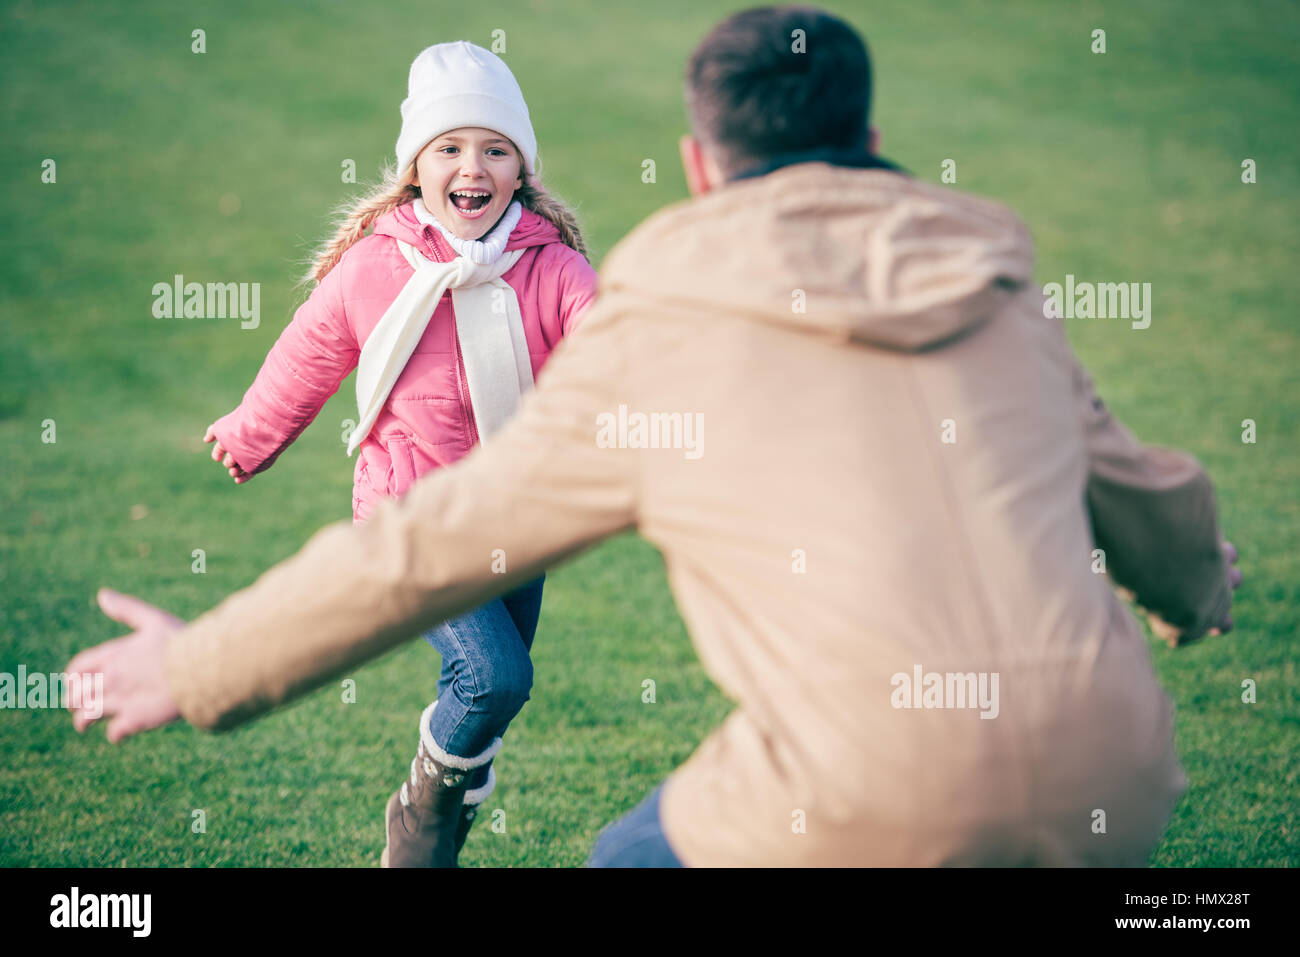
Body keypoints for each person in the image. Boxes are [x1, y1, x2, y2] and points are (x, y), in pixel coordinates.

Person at [68, 6, 1240, 867]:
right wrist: (1190, 597)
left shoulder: (658, 323)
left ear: (697, 163)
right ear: (872, 133)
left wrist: (201, 666)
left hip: (864, 786)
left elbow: (428, 548)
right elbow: (1161, 505)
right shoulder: (1005, 301)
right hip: (1118, 775)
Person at [197, 41, 598, 866]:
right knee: (495, 678)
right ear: (416, 168)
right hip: (410, 518)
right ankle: (419, 815)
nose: (472, 165)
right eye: (449, 147)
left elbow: (616, 348)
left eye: (495, 149)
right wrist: (249, 434)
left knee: (496, 690)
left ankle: (444, 813)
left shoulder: (552, 270)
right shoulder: (376, 269)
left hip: (518, 519)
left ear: (520, 168)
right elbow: (306, 356)